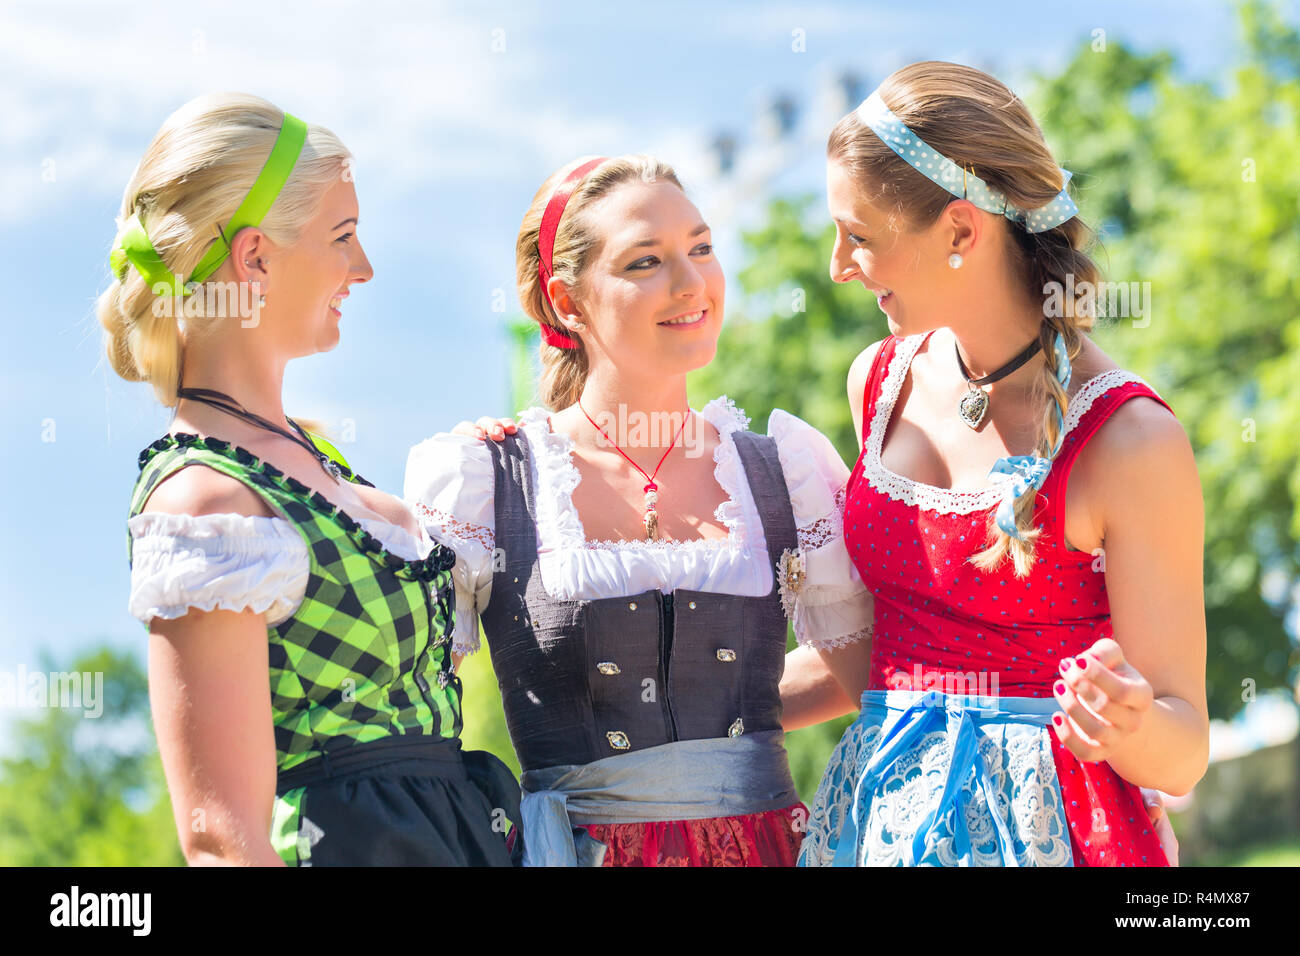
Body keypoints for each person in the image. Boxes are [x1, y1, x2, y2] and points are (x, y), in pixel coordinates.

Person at [405, 154, 876, 866]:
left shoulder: (785, 470)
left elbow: (870, 678)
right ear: (567, 303)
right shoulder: (488, 481)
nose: (692, 284)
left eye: (702, 248)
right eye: (645, 262)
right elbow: (411, 710)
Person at [795, 61, 1207, 866]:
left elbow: (1183, 741)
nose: (838, 265)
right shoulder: (878, 380)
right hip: (873, 830)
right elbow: (880, 642)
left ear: (959, 231)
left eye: (861, 236)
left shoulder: (1129, 440)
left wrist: (1128, 721)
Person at [103, 93, 516, 866]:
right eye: (344, 236)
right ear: (255, 256)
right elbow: (223, 840)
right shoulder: (207, 503)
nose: (362, 267)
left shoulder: (315, 471)